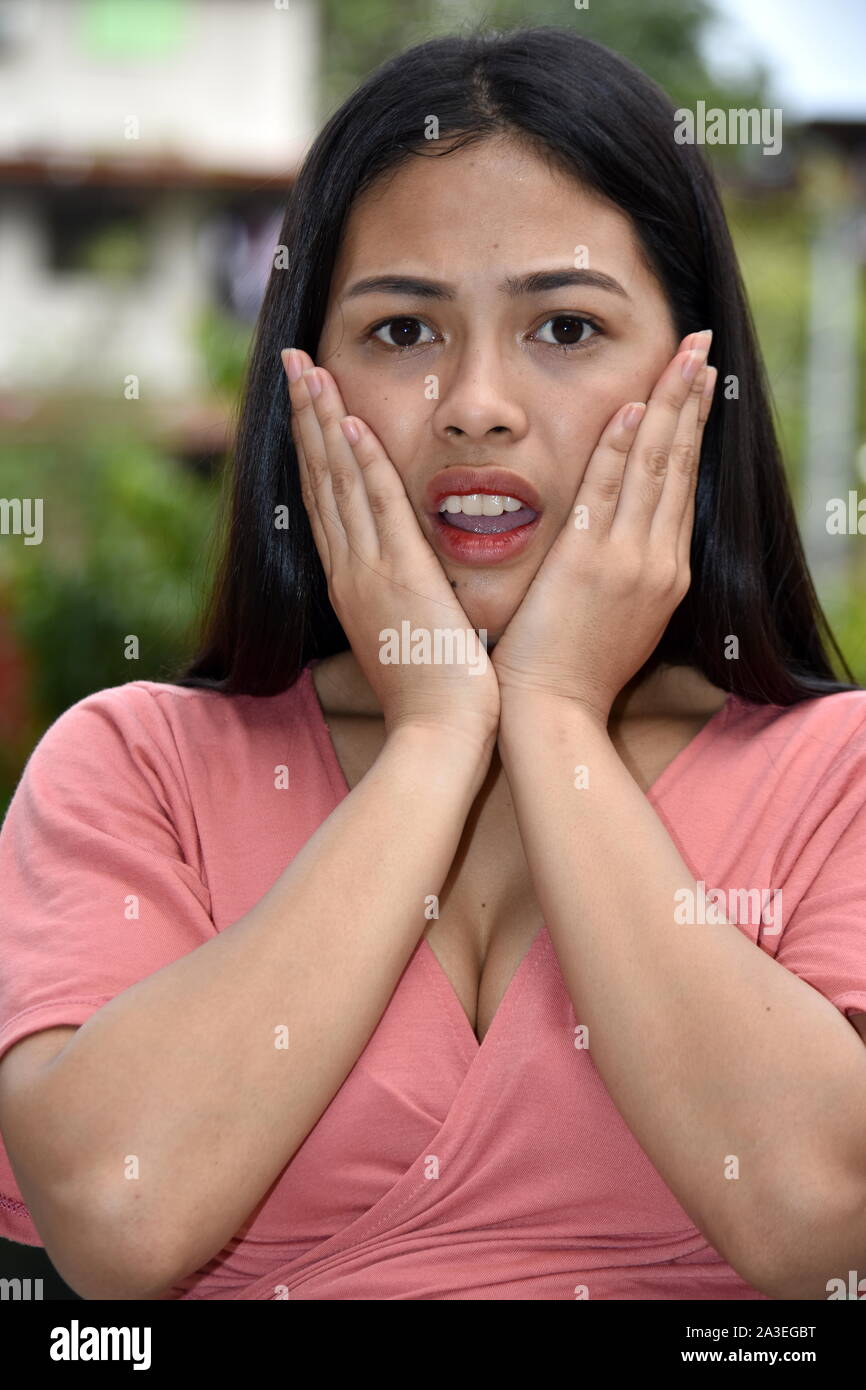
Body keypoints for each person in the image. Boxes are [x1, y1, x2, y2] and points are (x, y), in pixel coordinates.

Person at [2, 25, 866, 1303]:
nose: (474, 403)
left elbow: (808, 1216)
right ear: (305, 381)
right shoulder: (135, 764)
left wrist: (555, 716)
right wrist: (432, 737)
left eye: (564, 327)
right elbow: (116, 1221)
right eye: (402, 331)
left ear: (698, 376)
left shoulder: (831, 775)